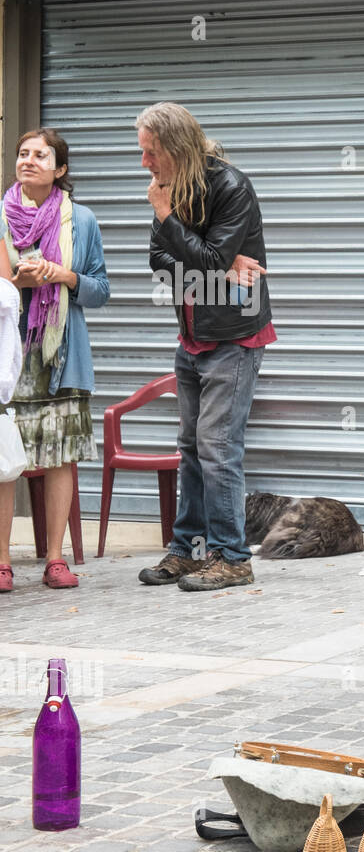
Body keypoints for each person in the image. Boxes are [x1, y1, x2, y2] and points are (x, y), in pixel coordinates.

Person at [134, 102, 276, 592]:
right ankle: (188, 550)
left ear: (174, 148)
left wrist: (174, 223)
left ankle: (232, 557)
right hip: (193, 334)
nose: (145, 164)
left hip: (233, 337)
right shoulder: (168, 188)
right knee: (192, 448)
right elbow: (158, 259)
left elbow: (209, 259)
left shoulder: (230, 186)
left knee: (217, 447)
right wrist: (209, 262)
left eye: (151, 153)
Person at [0, 129, 110, 592]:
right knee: (4, 460)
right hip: (9, 355)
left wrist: (64, 276)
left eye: (40, 155)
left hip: (61, 353)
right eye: (23, 154)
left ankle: (55, 560)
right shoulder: (1, 220)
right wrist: (20, 284)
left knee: (63, 456)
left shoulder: (81, 221)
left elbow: (100, 290)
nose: (28, 161)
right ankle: (2, 561)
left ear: (59, 169)